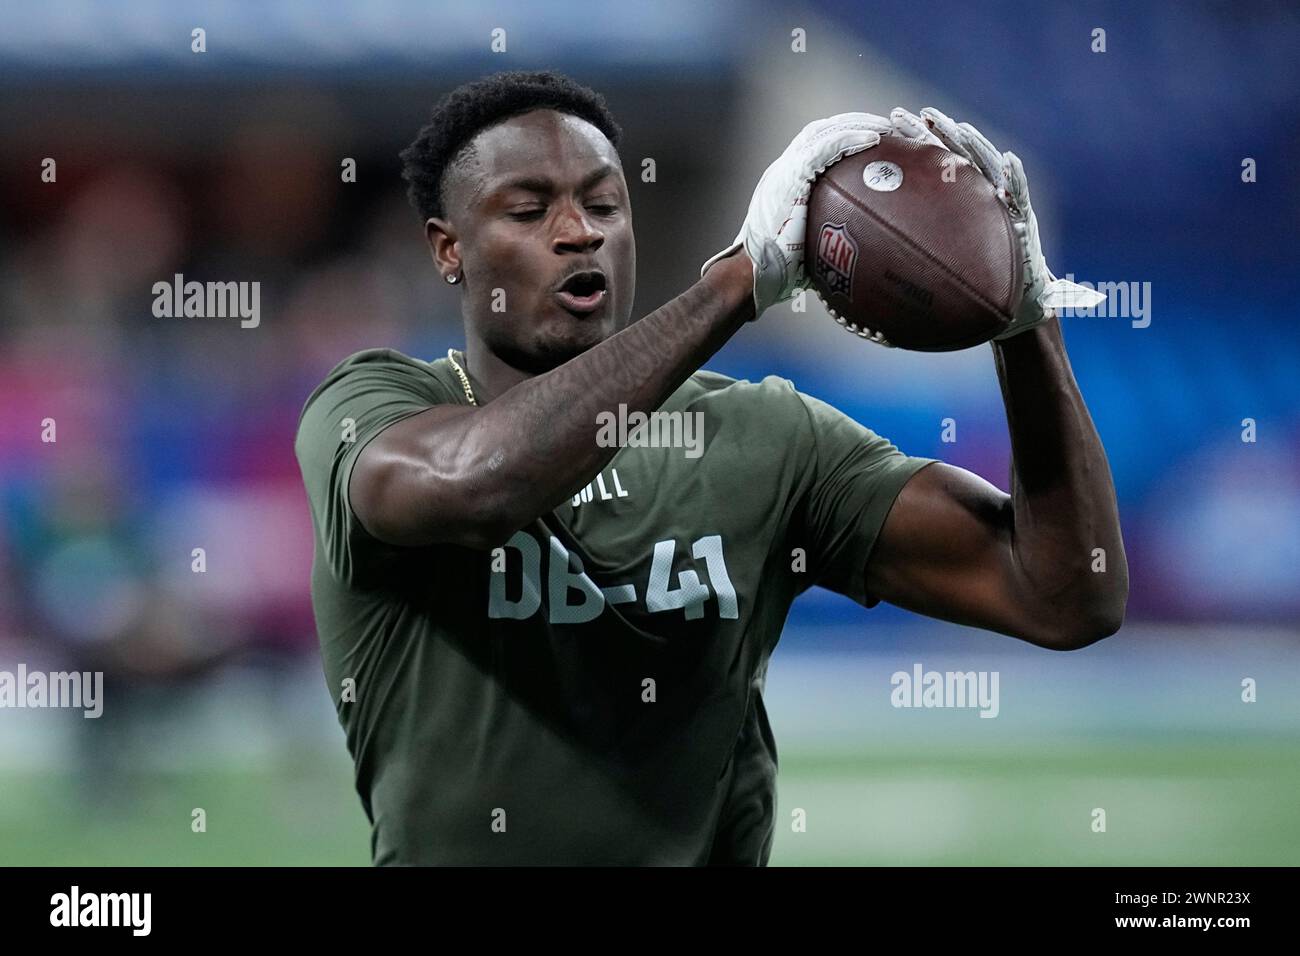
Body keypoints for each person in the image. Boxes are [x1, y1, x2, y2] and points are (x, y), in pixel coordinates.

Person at [294, 70, 1127, 865]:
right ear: (449, 249)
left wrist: (1024, 324)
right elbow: (480, 486)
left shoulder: (761, 433)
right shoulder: (372, 404)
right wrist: (737, 282)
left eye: (604, 204)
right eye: (529, 210)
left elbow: (1062, 596)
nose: (579, 230)